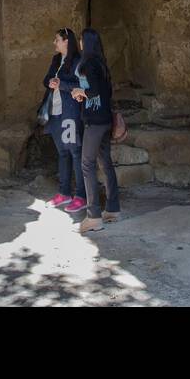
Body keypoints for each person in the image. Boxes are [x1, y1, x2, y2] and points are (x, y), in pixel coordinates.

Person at [71, 28, 120, 233]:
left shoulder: (89, 64)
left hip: (94, 122)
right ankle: (113, 209)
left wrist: (79, 91)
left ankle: (93, 216)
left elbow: (94, 91)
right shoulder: (101, 64)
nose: (80, 44)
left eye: (82, 40)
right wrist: (84, 95)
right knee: (105, 163)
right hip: (105, 119)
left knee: (87, 165)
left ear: (86, 43)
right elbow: (104, 92)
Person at [43, 28, 86, 212]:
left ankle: (81, 196)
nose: (55, 43)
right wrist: (50, 82)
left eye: (57, 39)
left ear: (66, 41)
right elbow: (46, 79)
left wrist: (63, 84)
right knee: (62, 152)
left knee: (75, 153)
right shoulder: (55, 60)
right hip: (55, 111)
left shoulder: (78, 61)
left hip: (70, 112)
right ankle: (64, 193)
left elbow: (83, 86)